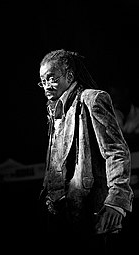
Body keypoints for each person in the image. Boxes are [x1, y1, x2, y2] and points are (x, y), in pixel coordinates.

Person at [37, 49, 133, 254]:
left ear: (69, 76)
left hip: (92, 215)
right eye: (42, 81)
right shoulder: (54, 110)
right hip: (62, 217)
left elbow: (116, 151)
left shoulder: (92, 99)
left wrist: (116, 201)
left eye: (51, 78)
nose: (46, 86)